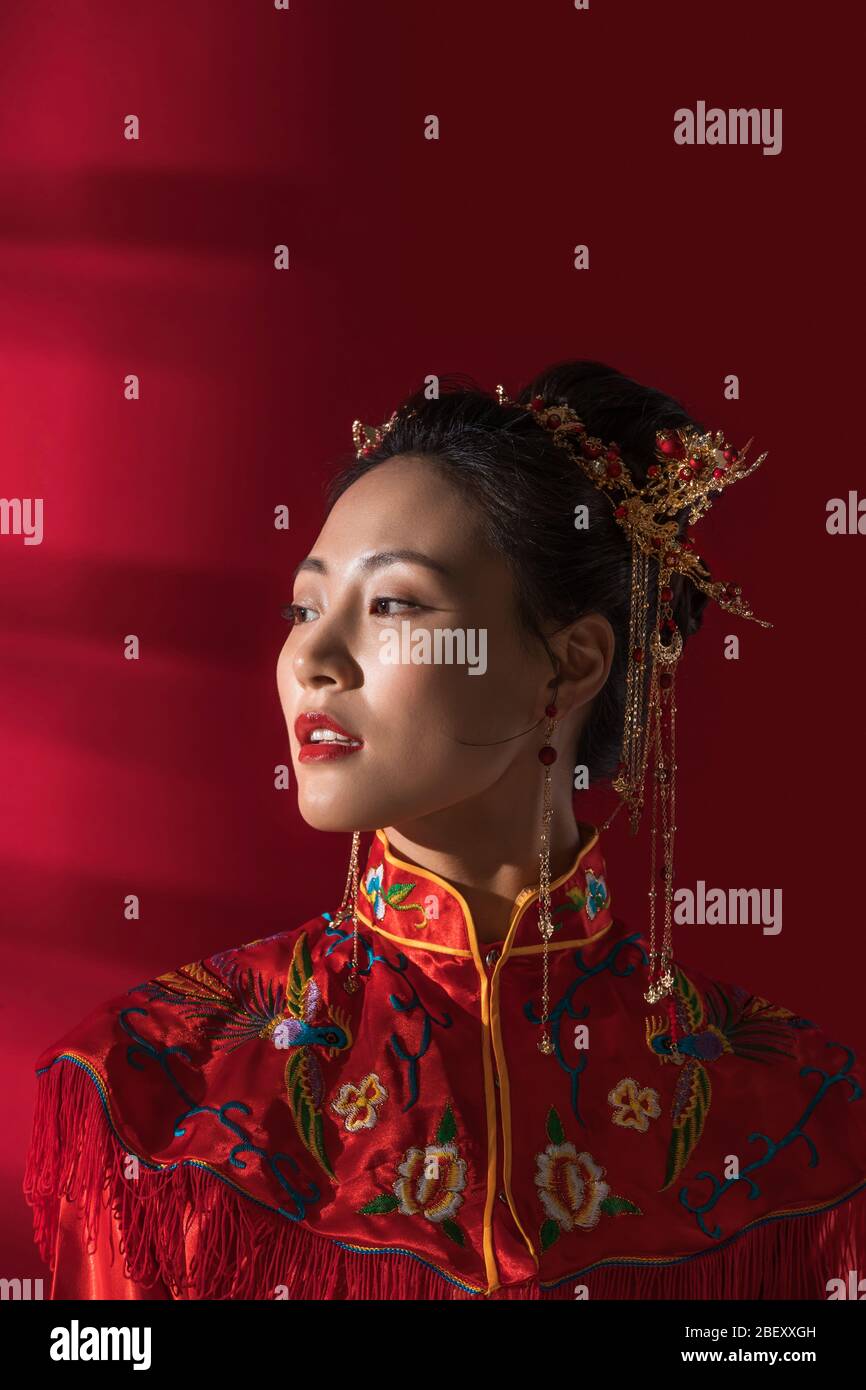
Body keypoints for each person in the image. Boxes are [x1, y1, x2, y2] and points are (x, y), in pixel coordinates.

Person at [23, 360, 866, 1300]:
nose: (312, 657)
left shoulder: (803, 1118)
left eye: (394, 604)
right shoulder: (158, 1083)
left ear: (569, 666)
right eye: (303, 608)